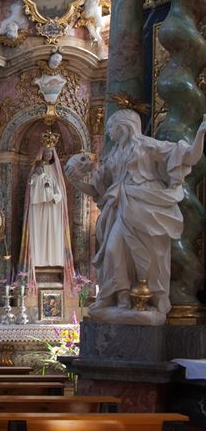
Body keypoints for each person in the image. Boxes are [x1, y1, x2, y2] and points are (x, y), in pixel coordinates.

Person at [67, 110, 206, 321]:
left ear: (123, 126)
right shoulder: (113, 154)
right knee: (113, 250)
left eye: (111, 128)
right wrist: (75, 181)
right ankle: (121, 296)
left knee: (151, 256)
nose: (109, 133)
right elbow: (97, 190)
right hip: (121, 205)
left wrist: (201, 134)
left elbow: (189, 157)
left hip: (146, 205)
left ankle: (148, 298)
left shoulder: (148, 146)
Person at [20, 142, 74, 287]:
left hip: (53, 208)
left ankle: (55, 263)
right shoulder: (37, 168)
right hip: (38, 208)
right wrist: (38, 178)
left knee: (54, 233)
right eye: (46, 152)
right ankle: (38, 263)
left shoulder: (56, 170)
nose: (48, 154)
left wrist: (54, 196)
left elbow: (60, 190)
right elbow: (31, 185)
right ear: (42, 153)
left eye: (51, 152)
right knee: (40, 232)